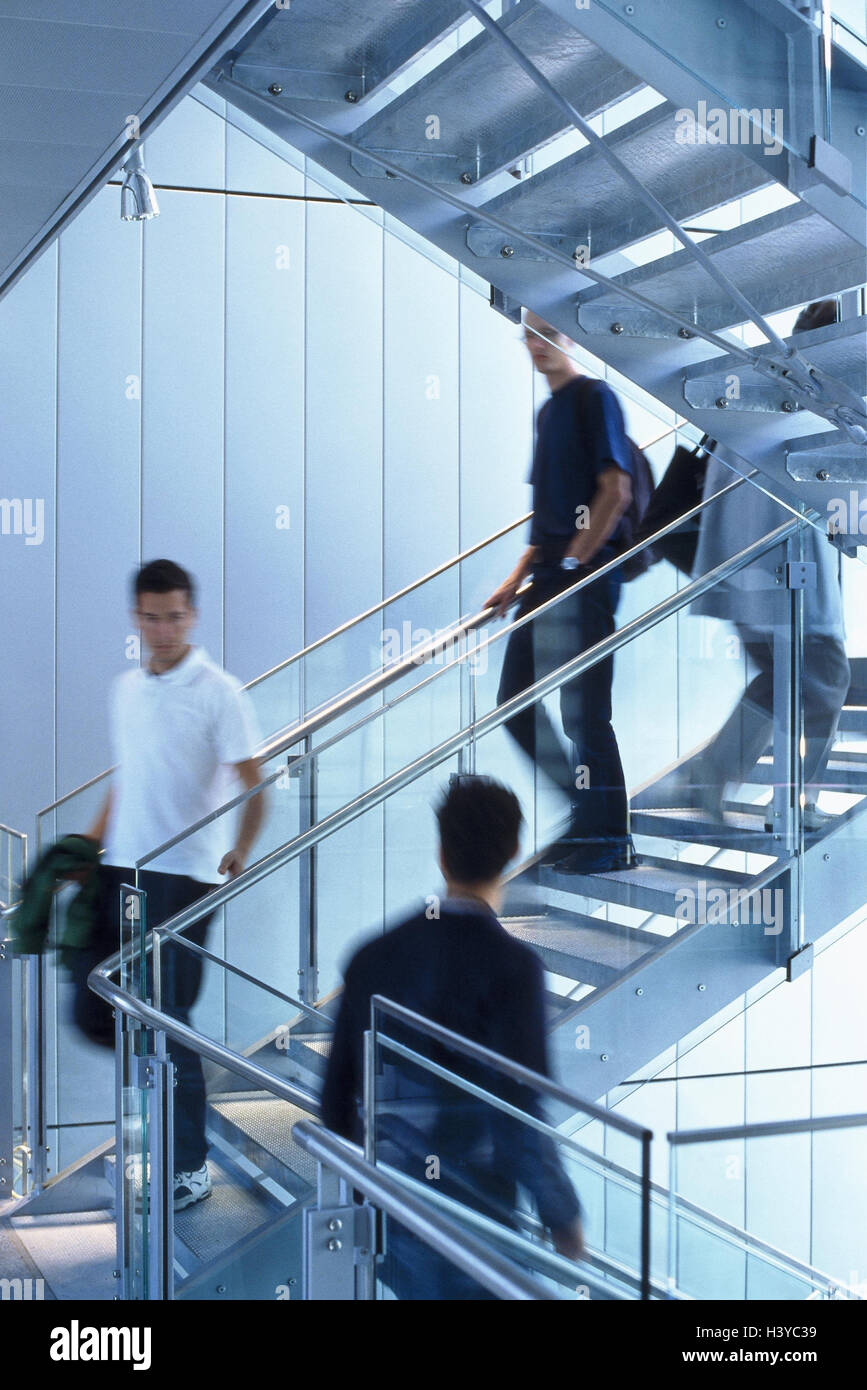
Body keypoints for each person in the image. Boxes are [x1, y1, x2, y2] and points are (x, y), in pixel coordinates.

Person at [321, 774, 584, 1300]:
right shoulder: (514, 967)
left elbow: (335, 1101)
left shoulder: (372, 954)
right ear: (512, 852)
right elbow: (519, 1109)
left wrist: (366, 1190)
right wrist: (562, 1216)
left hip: (392, 1210)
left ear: (441, 854)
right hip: (479, 1217)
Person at [72, 559, 266, 1210]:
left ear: (193, 615)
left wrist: (239, 848)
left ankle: (188, 1164)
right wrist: (89, 848)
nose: (162, 629)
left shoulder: (219, 690)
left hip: (184, 874)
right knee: (93, 1005)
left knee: (165, 1018)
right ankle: (158, 1120)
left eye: (174, 616)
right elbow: (126, 778)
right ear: (136, 618)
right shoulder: (126, 688)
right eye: (151, 617)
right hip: (120, 867)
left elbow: (253, 780)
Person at [635, 301, 850, 826]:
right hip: (786, 578)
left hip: (744, 574)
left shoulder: (755, 386)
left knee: (781, 683)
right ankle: (794, 804)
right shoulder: (805, 402)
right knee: (824, 680)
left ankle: (722, 779)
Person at [486, 311, 637, 874]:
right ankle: (583, 813)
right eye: (529, 333)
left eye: (548, 333)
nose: (538, 344)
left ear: (569, 335)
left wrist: (575, 562)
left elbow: (614, 490)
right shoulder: (547, 412)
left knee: (585, 714)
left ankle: (609, 838)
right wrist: (516, 577)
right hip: (550, 577)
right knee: (514, 701)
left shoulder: (594, 397)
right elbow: (546, 513)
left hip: (587, 577)